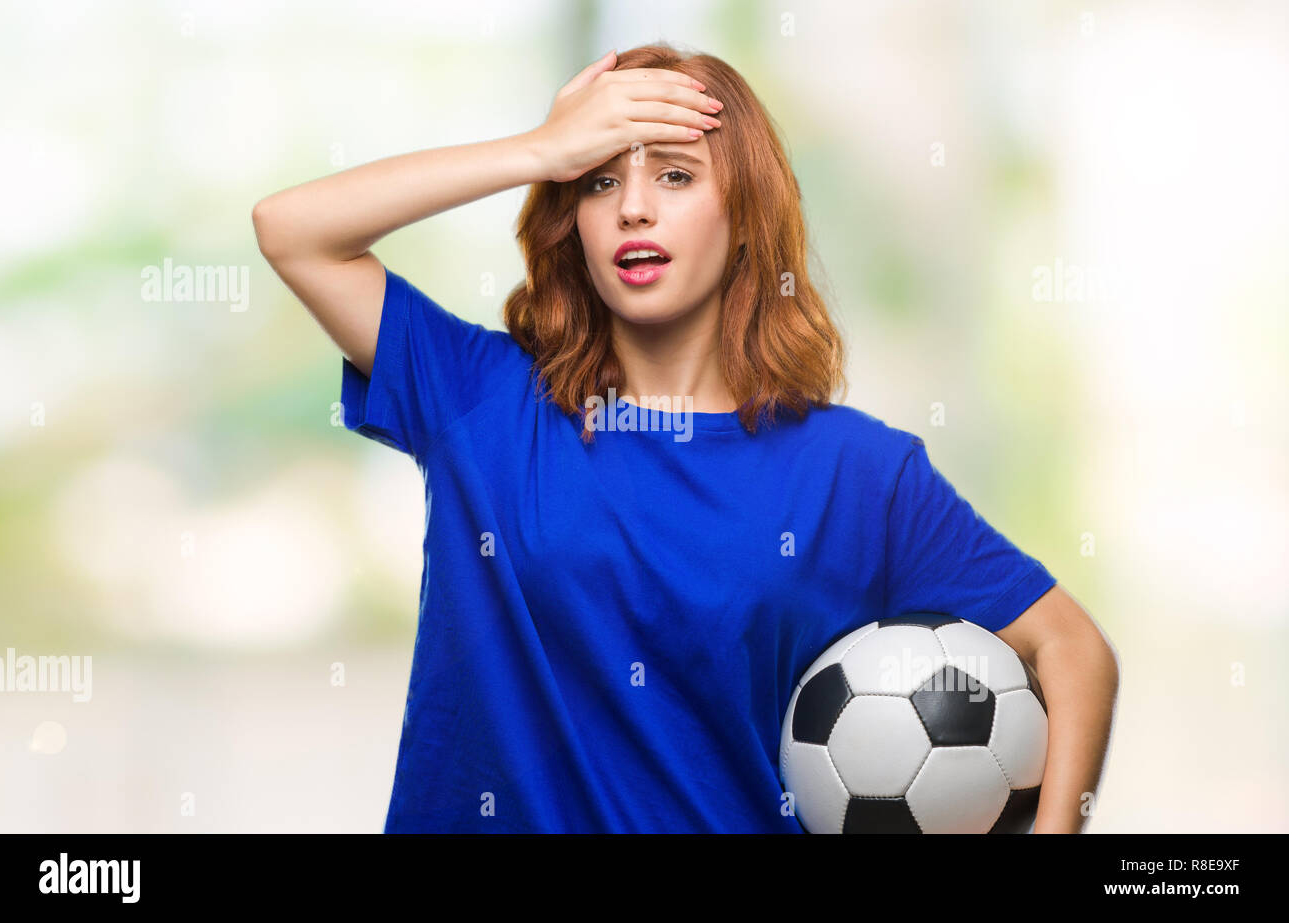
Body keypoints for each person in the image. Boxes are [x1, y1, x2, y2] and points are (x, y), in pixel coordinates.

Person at [252, 43, 1119, 833]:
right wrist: (540, 150)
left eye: (674, 177)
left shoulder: (858, 472)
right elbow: (295, 232)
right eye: (597, 181)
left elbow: (1074, 649)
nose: (632, 208)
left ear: (744, 216)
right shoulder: (479, 399)